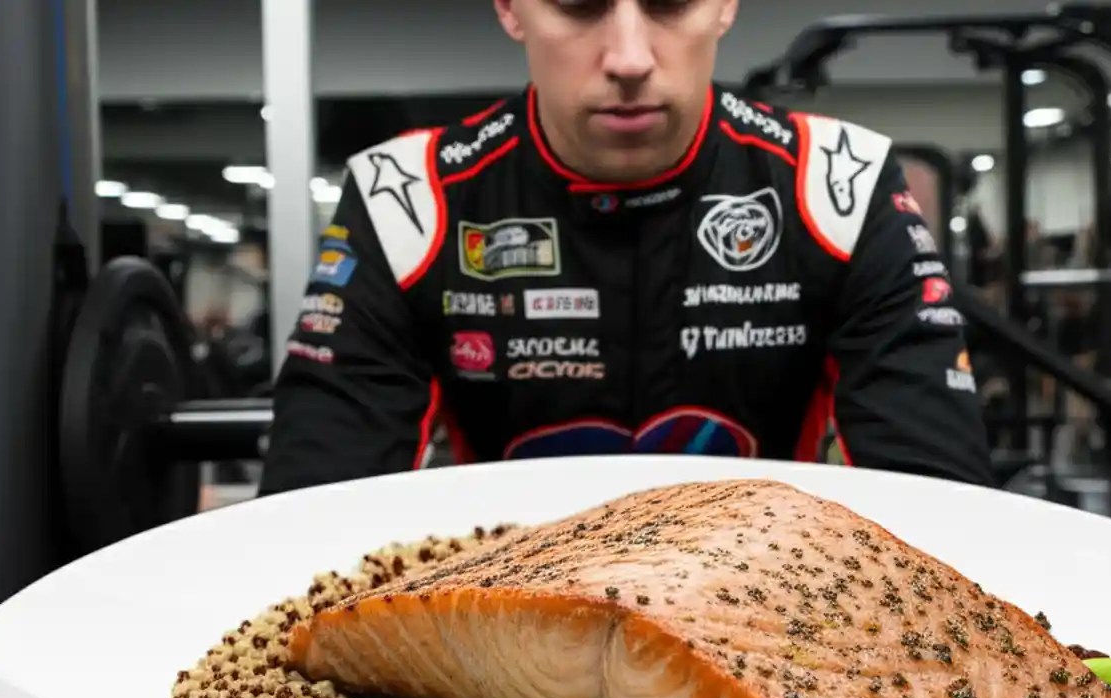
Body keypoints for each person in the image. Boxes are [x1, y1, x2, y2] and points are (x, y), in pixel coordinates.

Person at [260, 0, 993, 496]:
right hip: (505, 631)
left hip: (768, 625)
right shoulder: (408, 196)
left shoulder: (841, 181)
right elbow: (310, 508)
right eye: (579, 3)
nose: (630, 55)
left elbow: (940, 505)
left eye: (670, 2)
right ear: (511, 7)